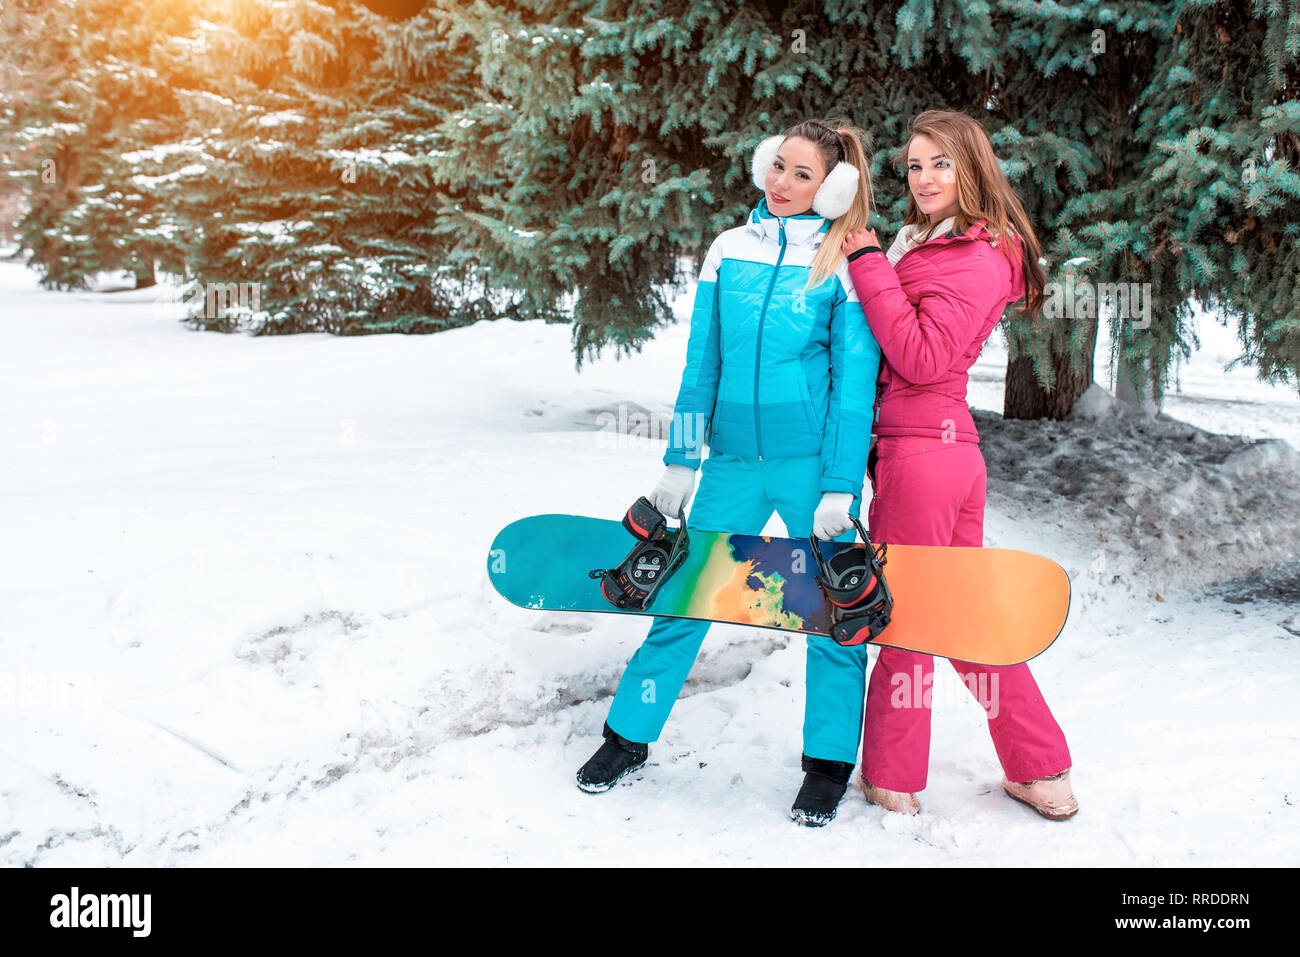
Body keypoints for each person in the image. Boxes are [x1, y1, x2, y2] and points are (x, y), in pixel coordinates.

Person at [575, 119, 884, 826]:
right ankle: (628, 737)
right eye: (777, 166)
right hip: (733, 463)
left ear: (833, 188)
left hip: (810, 469)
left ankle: (828, 765)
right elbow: (700, 368)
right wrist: (680, 462)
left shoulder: (843, 264)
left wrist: (840, 484)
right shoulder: (727, 250)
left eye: (802, 174)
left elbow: (854, 388)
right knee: (685, 591)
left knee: (832, 607)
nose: (781, 183)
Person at [841, 109, 1077, 820]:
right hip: (942, 453)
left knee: (906, 614)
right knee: (963, 616)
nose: (923, 178)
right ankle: (1042, 769)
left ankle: (892, 777)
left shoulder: (972, 256)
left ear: (972, 168)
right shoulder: (946, 247)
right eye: (914, 165)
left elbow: (921, 357)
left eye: (940, 163)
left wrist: (868, 263)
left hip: (924, 455)